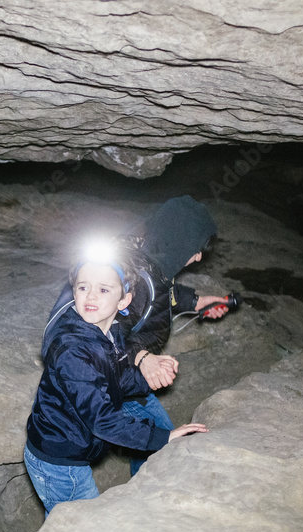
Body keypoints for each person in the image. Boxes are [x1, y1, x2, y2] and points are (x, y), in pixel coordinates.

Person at [43, 196, 231, 477]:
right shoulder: (138, 278)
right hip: (108, 369)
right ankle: (147, 491)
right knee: (160, 440)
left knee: (156, 436)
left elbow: (159, 292)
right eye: (196, 248)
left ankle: (142, 482)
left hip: (116, 368)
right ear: (179, 239)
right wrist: (143, 358)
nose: (198, 257)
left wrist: (196, 301)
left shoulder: (142, 255)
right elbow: (104, 330)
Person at [24, 253, 208, 515]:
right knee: (82, 526)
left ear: (124, 299)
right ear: (73, 291)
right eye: (83, 287)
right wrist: (162, 437)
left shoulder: (110, 332)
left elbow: (113, 378)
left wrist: (144, 380)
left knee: (70, 525)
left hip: (68, 448)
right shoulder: (73, 350)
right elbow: (103, 420)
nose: (91, 296)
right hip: (60, 461)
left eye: (103, 289)